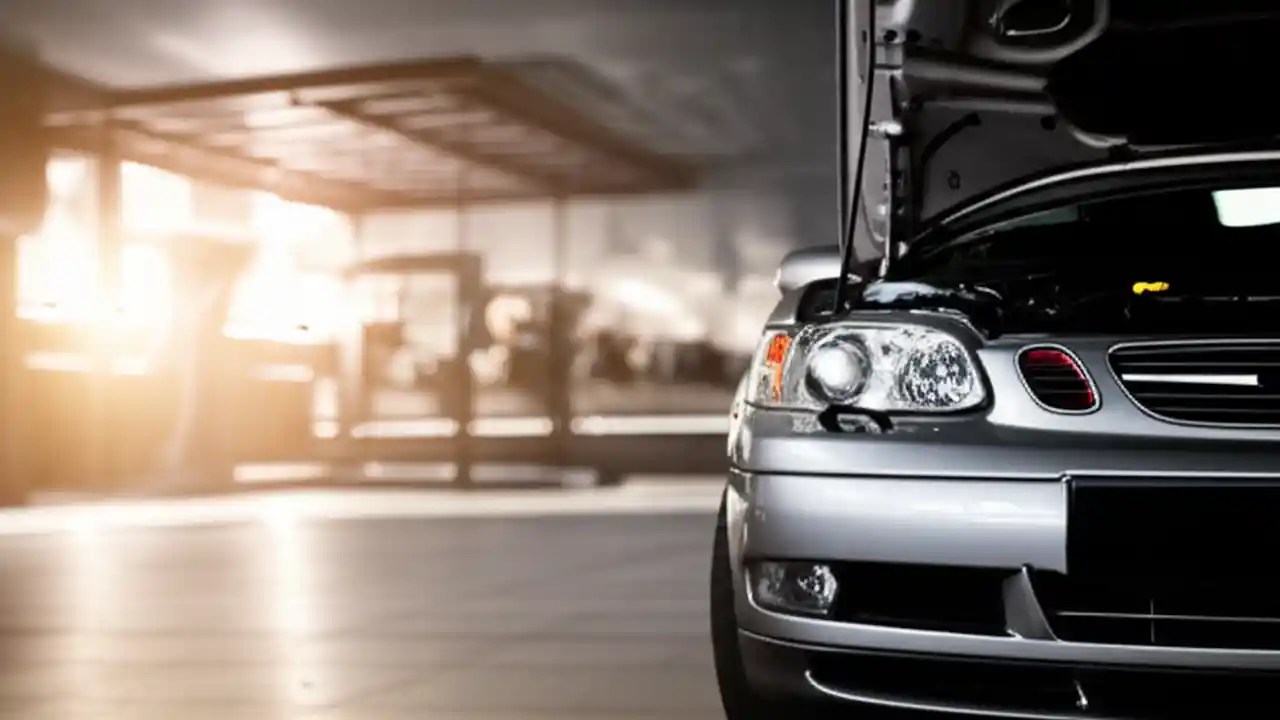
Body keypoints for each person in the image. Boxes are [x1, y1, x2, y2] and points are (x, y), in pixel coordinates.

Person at [154, 234, 255, 493]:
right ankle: (194, 459)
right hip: (201, 352)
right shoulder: (192, 319)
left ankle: (201, 461)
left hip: (208, 351)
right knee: (201, 379)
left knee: (206, 375)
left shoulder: (206, 320)